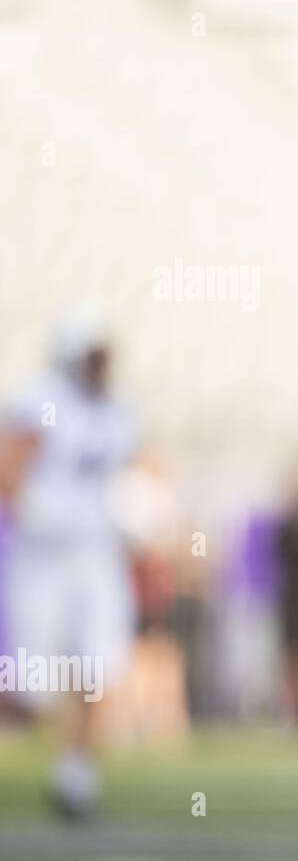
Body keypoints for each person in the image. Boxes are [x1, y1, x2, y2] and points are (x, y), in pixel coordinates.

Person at [0, 306, 137, 818]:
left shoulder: (119, 408)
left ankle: (75, 773)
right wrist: (34, 510)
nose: (102, 365)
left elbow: (127, 478)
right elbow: (8, 470)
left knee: (96, 664)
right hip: (43, 557)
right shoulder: (39, 400)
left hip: (96, 553)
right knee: (30, 684)